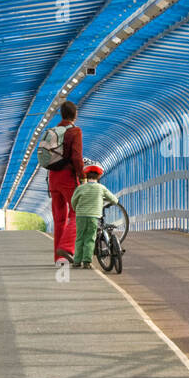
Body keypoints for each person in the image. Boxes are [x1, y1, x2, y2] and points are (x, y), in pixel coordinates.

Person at [46, 101, 84, 263]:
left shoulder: (52, 131)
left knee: (59, 219)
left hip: (53, 178)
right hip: (68, 177)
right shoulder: (75, 131)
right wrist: (81, 175)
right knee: (78, 212)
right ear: (75, 115)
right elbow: (76, 156)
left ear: (61, 115)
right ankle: (67, 247)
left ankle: (59, 257)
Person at [69, 162, 118, 269]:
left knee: (79, 238)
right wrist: (111, 202)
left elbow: (73, 201)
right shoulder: (101, 188)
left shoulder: (80, 188)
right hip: (93, 216)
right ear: (99, 176)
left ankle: (77, 261)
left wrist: (75, 209)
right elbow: (114, 199)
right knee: (90, 238)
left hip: (80, 216)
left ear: (86, 175)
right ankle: (87, 262)